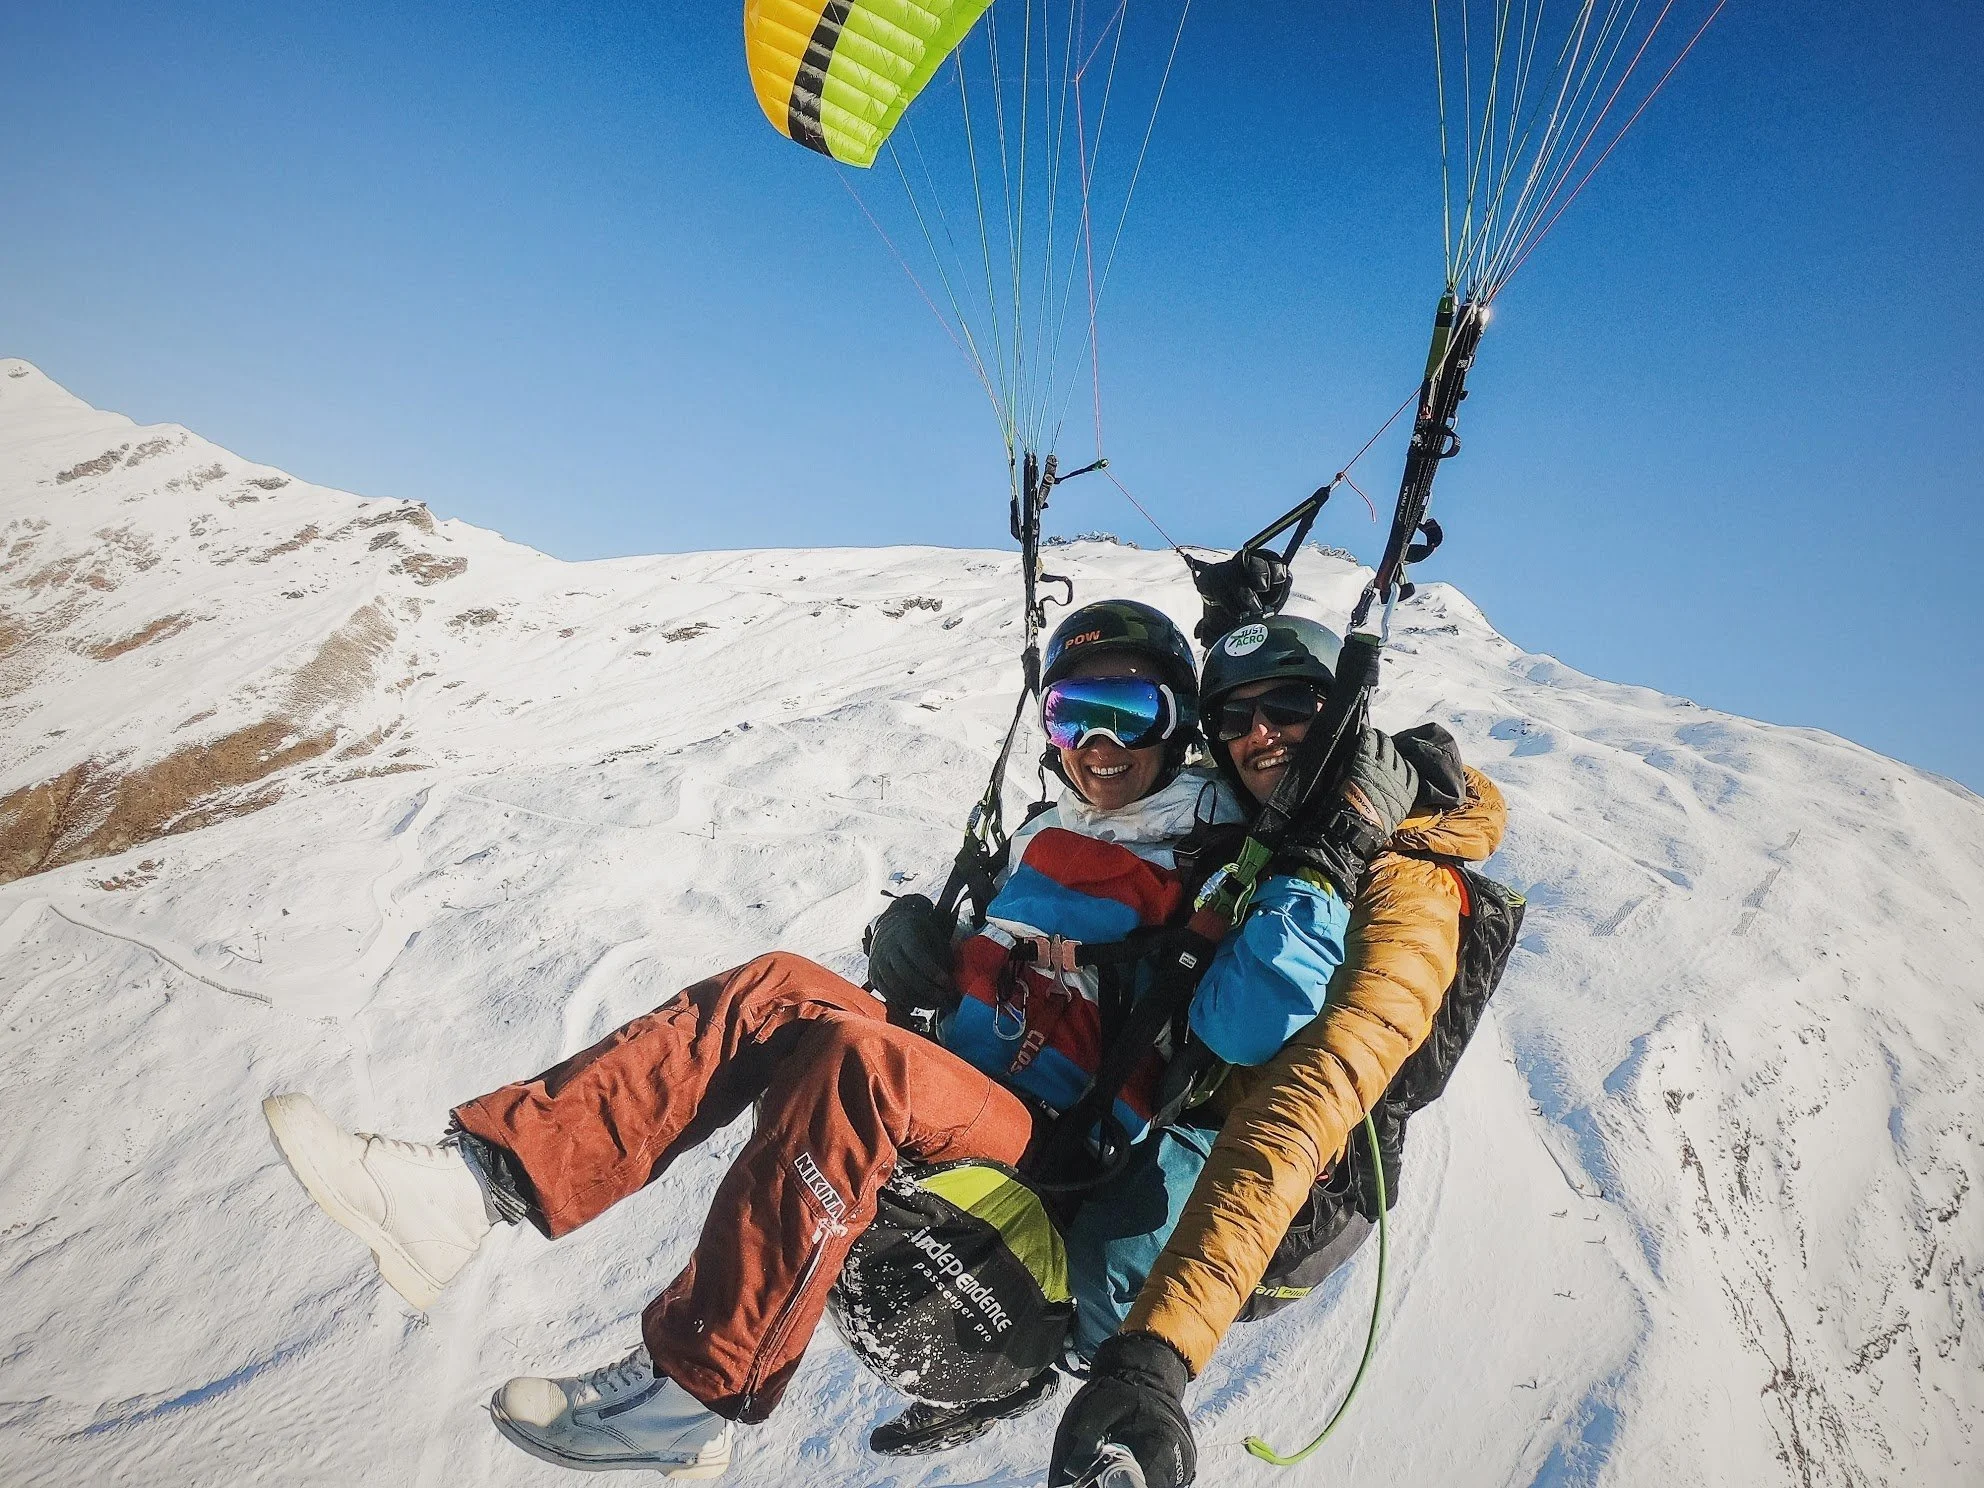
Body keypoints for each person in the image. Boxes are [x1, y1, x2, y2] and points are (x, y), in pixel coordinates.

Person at [259, 599, 1412, 1481]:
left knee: (859, 1068)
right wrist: (934, 961)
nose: (1099, 745)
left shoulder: (1224, 849)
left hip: (1055, 1150)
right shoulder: (1055, 827)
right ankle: (473, 1189)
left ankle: (692, 1400)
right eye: (1073, 715)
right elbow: (1015, 981)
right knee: (776, 988)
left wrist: (1315, 847)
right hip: (965, 1071)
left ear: (1180, 732)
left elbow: (1250, 1017)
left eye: (1134, 716)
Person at [1047, 613, 1509, 1488]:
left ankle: (1092, 1389)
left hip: (1301, 1189)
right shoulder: (1270, 825)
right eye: (1233, 718)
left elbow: (1306, 1106)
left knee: (1103, 1262)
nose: (1260, 735)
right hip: (1188, 1095)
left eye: (1292, 707)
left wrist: (1158, 1354)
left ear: (1345, 720)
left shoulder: (1403, 884)